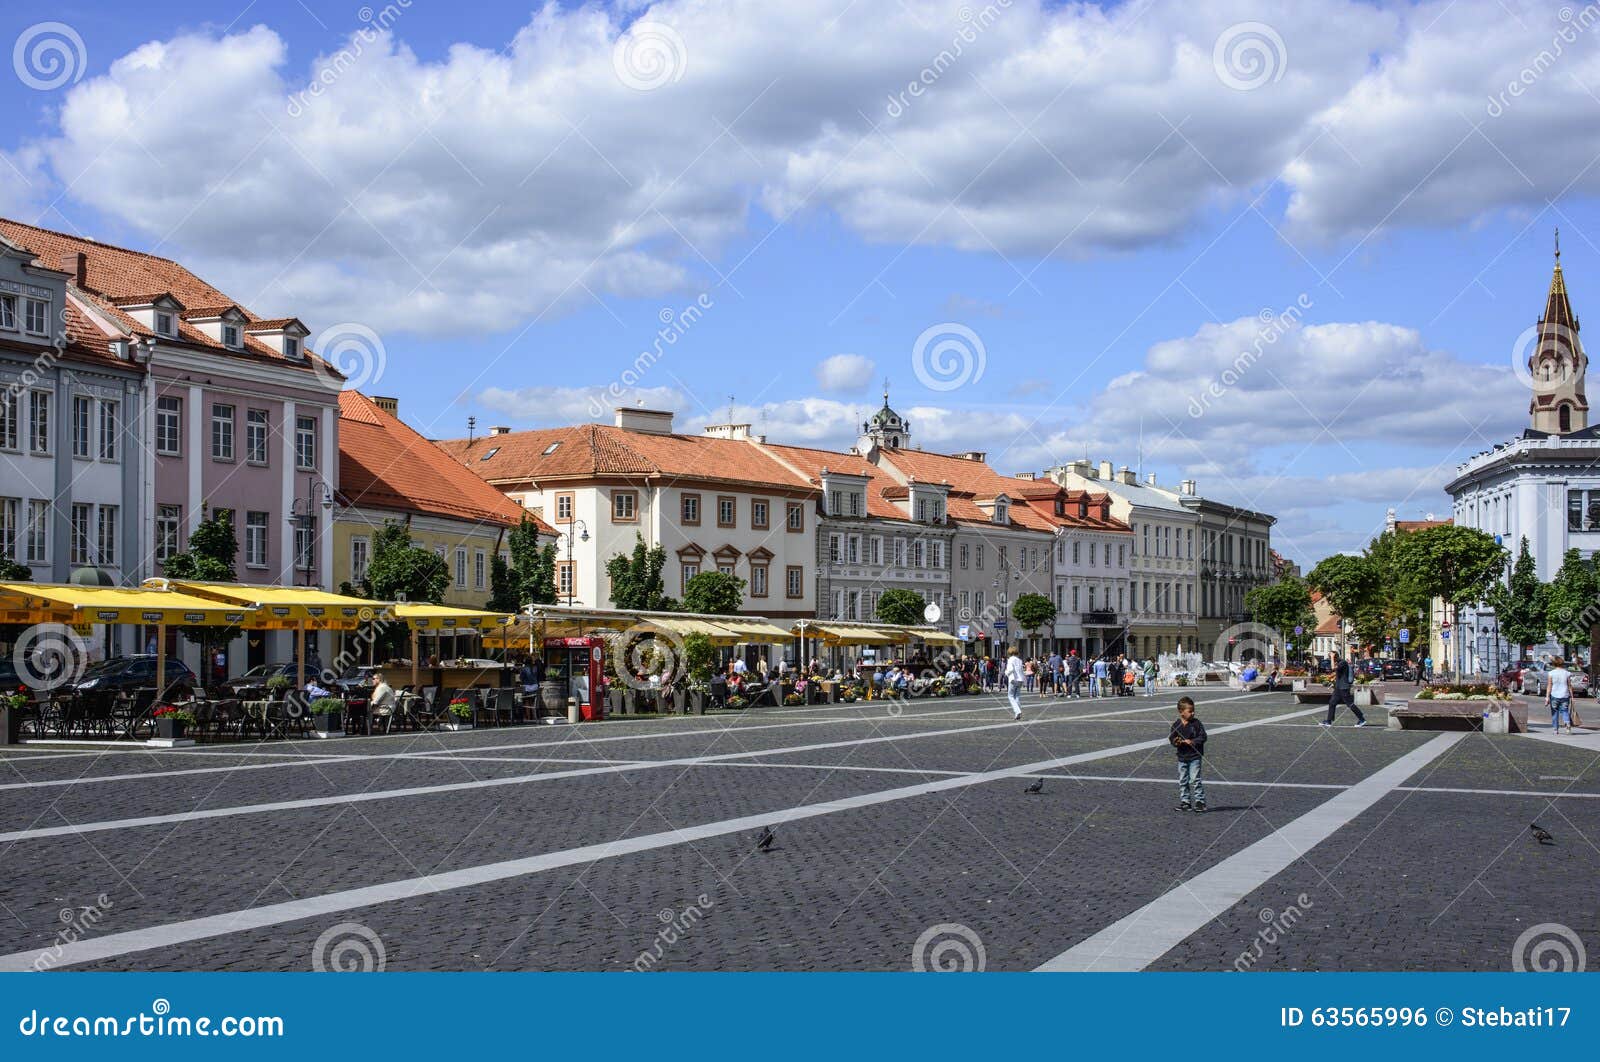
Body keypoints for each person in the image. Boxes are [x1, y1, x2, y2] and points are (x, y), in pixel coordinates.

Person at [1170, 696, 1208, 812]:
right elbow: (1172, 738)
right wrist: (1176, 742)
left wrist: (1192, 741)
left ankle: (1200, 801)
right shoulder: (1176, 725)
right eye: (1190, 711)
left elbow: (1203, 737)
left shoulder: (1196, 724)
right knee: (1183, 780)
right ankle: (1185, 801)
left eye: (1193, 710)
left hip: (1194, 756)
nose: (1193, 713)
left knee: (1195, 779)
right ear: (1181, 712)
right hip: (1182, 757)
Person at [1320, 655, 1367, 728]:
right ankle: (1329, 721)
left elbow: (1333, 668)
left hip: (1344, 687)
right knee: (1332, 702)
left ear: (1335, 657)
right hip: (1338, 687)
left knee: (1349, 704)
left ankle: (1361, 719)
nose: (1330, 658)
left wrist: (1332, 657)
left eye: (1331, 657)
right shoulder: (1340, 663)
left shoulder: (1343, 663)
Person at [1546, 656, 1574, 735]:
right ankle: (1567, 724)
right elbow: (1569, 685)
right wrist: (1572, 696)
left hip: (1554, 695)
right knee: (1565, 711)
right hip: (1565, 695)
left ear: (1554, 664)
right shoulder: (1567, 673)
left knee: (1555, 713)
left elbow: (1549, 685)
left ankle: (1555, 729)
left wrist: (1547, 697)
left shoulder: (1551, 673)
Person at [1004, 648, 1025, 720]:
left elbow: (1010, 669)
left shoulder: (1010, 660)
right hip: (1020, 679)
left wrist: (1006, 673)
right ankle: (1017, 713)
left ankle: (1017, 711)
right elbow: (1022, 670)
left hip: (1013, 679)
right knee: (1017, 696)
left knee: (1010, 696)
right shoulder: (1020, 660)